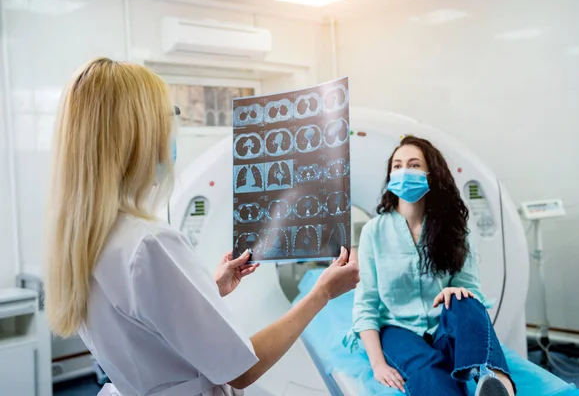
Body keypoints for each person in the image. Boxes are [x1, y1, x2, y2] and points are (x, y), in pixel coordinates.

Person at [43, 57, 360, 396]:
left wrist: (210, 288)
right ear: (137, 136)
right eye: (166, 122)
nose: (170, 136)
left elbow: (143, 320)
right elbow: (242, 370)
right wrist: (322, 292)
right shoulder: (150, 243)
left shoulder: (85, 237)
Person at [344, 136, 516, 396]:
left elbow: (470, 287)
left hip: (443, 326)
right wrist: (378, 364)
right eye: (397, 166)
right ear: (390, 175)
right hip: (396, 328)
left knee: (465, 300)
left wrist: (454, 290)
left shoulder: (454, 228)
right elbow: (366, 303)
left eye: (414, 165)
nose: (404, 171)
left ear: (431, 175)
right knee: (426, 366)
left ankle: (494, 381)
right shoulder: (373, 232)